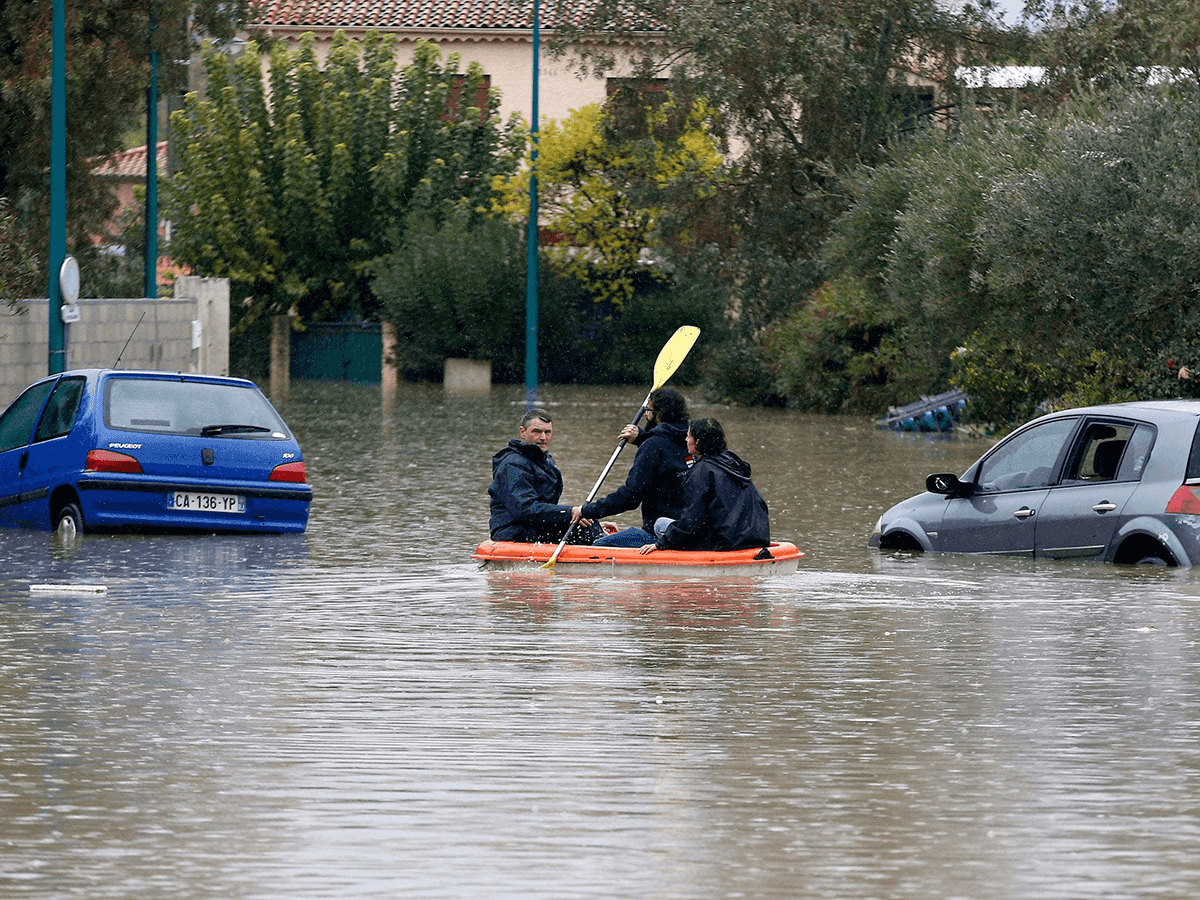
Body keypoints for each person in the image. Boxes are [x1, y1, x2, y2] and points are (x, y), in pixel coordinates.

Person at [572, 387, 690, 547]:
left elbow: (631, 497)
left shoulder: (653, 446)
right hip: (691, 529)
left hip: (658, 534)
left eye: (648, 410)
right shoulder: (692, 439)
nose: (646, 414)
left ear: (660, 413)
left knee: (598, 546)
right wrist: (643, 438)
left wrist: (588, 510)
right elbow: (669, 454)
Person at [639, 417, 770, 554]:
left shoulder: (701, 471)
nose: (685, 440)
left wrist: (661, 544)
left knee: (660, 524)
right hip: (755, 538)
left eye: (689, 436)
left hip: (723, 544)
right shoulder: (735, 464)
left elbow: (692, 522)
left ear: (698, 442)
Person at [489, 408, 603, 544]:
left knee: (588, 523)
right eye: (536, 432)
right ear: (522, 432)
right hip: (513, 531)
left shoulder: (545, 462)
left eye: (547, 432)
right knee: (585, 529)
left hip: (536, 526)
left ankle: (604, 540)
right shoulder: (512, 466)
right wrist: (569, 513)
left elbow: (545, 508)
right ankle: (608, 556)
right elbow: (526, 510)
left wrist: (583, 521)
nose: (543, 437)